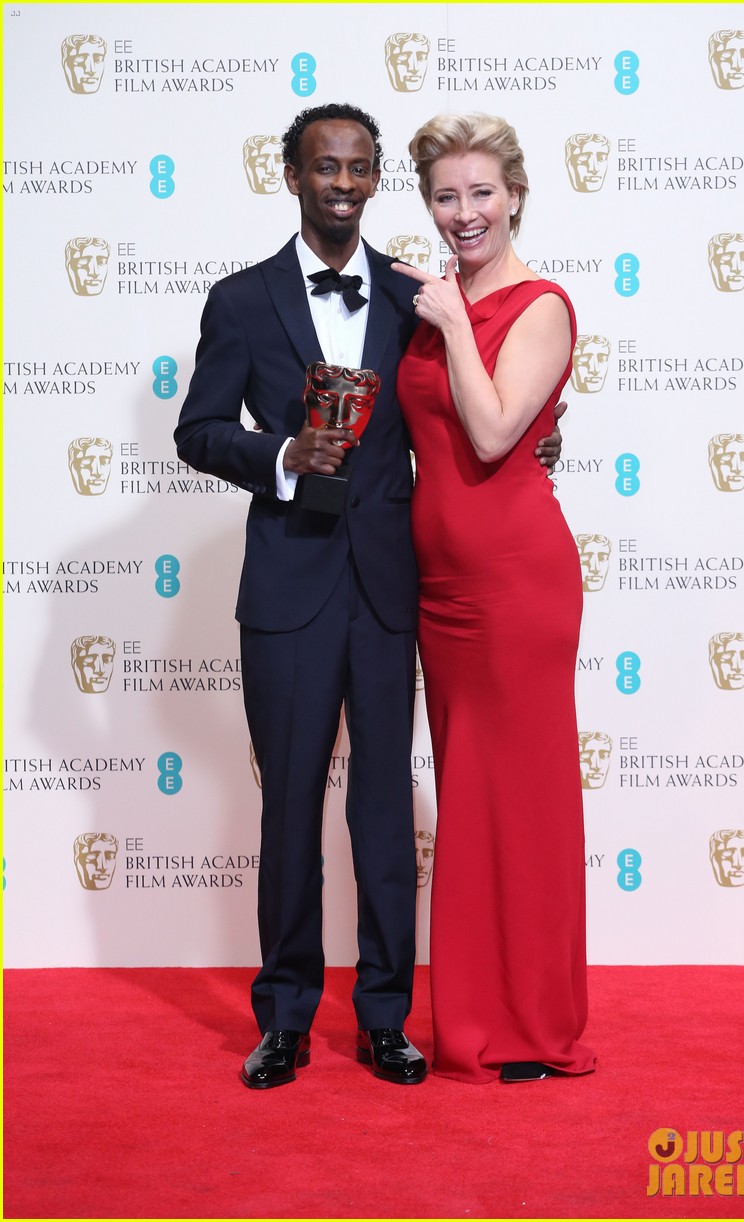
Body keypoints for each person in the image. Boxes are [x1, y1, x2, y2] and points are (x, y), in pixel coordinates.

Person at [174, 102, 565, 1091]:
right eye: (324, 166)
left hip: (395, 588)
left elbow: (467, 409)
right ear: (292, 175)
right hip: (288, 587)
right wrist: (282, 456)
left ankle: (386, 1017)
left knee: (386, 812)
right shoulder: (240, 299)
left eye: (358, 168)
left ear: (377, 179)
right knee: (289, 811)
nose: (342, 183)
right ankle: (284, 1019)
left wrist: (541, 436)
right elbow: (198, 430)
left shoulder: (415, 294)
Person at [393, 113, 596, 1084]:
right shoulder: (436, 299)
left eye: (481, 192)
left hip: (515, 583)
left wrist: (448, 325)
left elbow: (489, 432)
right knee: (471, 799)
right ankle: (475, 1017)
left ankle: (532, 1024)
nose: (464, 211)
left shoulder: (538, 304)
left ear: (514, 195)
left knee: (524, 800)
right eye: (446, 195)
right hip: (440, 587)